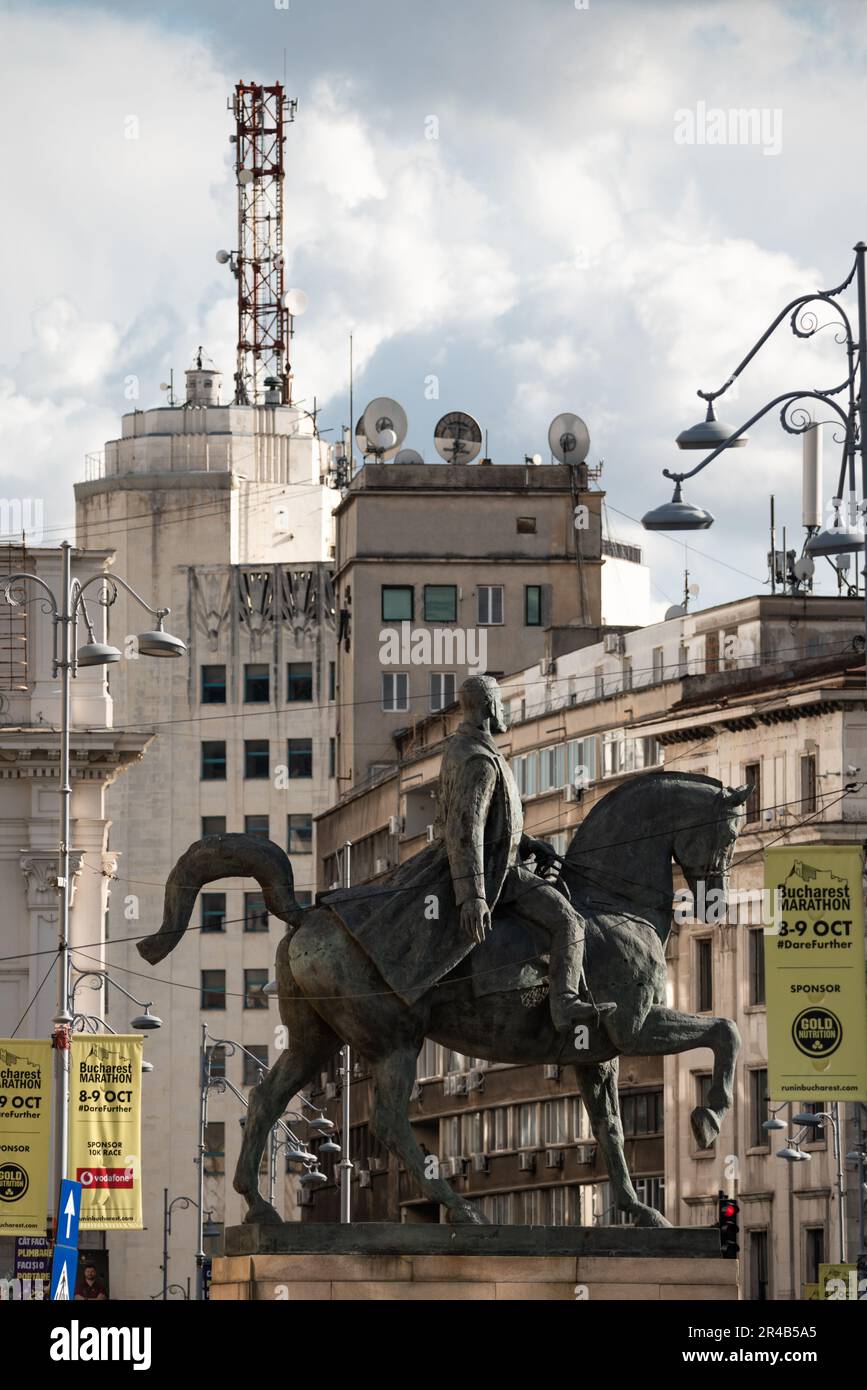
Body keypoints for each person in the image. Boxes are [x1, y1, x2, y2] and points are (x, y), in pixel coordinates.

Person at [435, 674, 616, 1039]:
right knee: (569, 921)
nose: (503, 711)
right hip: (499, 873)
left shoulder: (464, 748)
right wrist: (473, 896)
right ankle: (565, 1004)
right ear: (489, 706)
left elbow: (488, 823)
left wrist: (527, 843)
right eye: (500, 703)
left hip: (501, 860)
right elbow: (465, 831)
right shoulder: (478, 760)